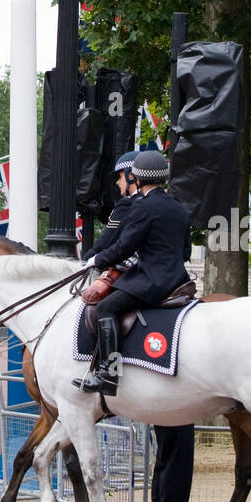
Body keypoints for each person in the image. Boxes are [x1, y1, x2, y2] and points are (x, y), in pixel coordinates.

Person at [78, 149, 191, 396]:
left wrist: (95, 259)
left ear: (137, 178)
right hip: (178, 280)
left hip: (152, 280)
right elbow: (185, 251)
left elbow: (123, 246)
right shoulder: (179, 207)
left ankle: (108, 373)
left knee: (106, 308)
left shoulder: (143, 207)